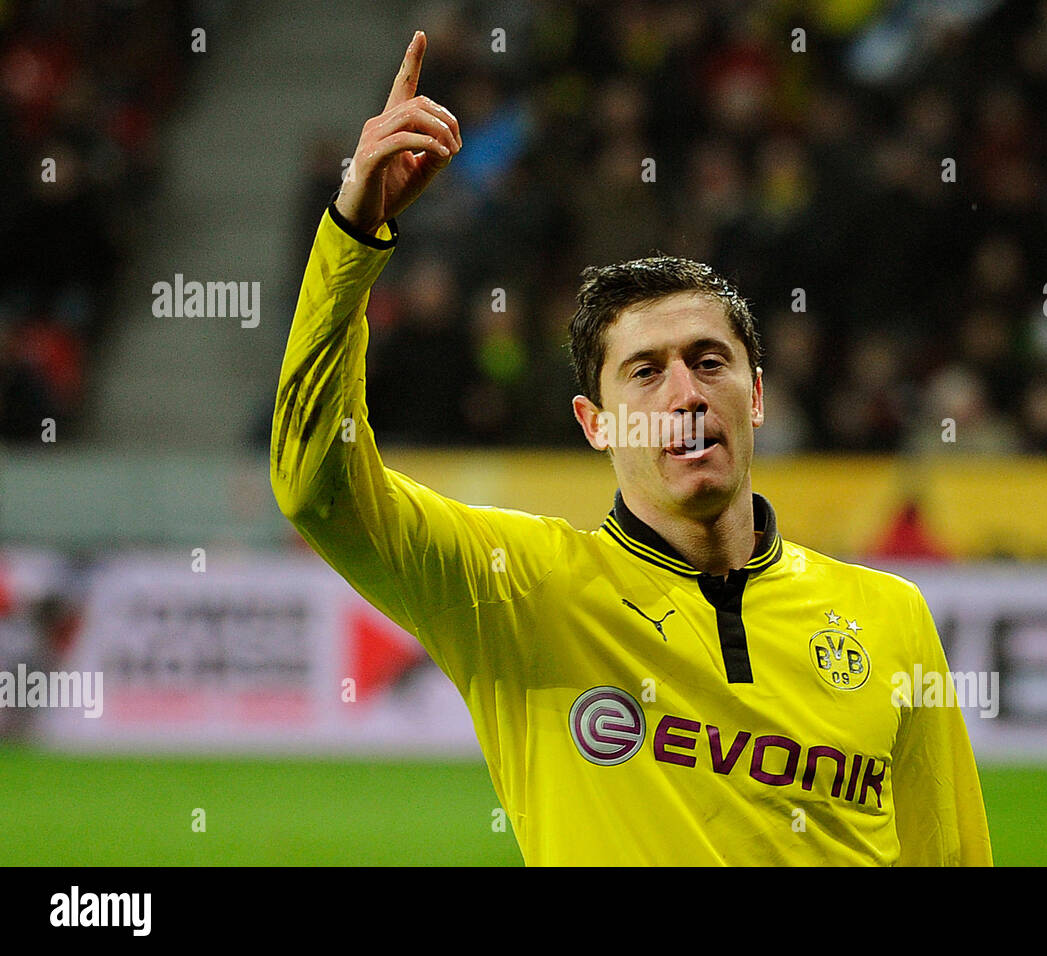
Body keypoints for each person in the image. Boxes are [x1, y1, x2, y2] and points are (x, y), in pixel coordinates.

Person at [271, 31, 993, 866]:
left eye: (709, 362)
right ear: (595, 423)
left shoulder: (891, 622)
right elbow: (317, 490)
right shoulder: (519, 594)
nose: (685, 392)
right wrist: (351, 239)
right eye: (645, 373)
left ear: (755, 397)